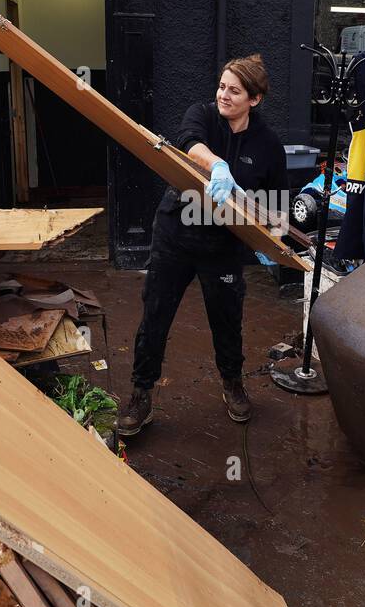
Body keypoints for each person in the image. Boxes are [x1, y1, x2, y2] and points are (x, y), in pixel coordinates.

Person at [117, 54, 288, 436]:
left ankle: (232, 383)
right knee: (155, 316)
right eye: (222, 86)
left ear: (254, 100)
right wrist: (219, 166)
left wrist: (269, 236)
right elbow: (189, 144)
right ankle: (141, 394)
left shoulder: (268, 145)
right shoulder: (203, 114)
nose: (223, 95)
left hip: (223, 244)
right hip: (177, 232)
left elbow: (276, 203)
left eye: (234, 90)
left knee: (227, 319)